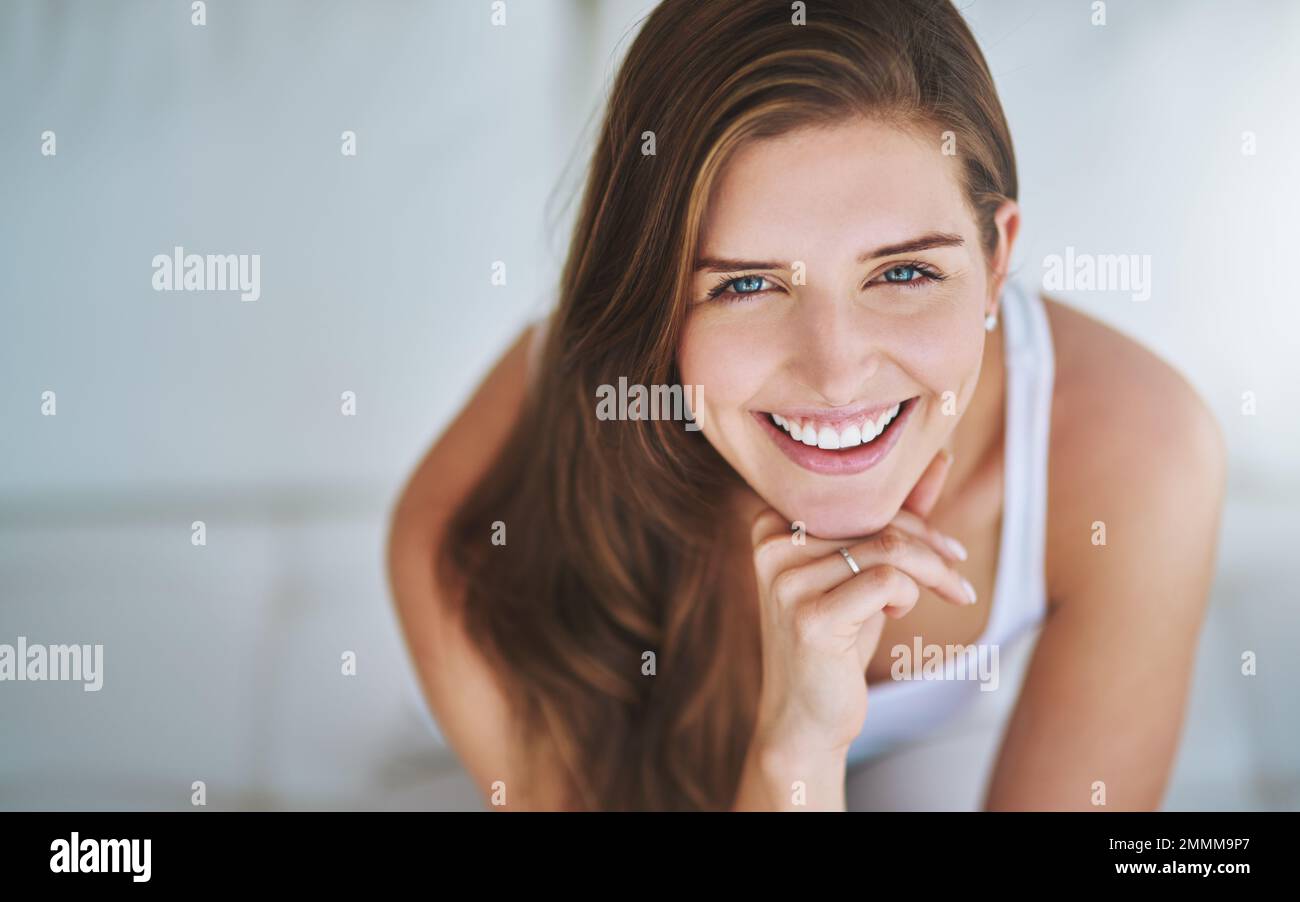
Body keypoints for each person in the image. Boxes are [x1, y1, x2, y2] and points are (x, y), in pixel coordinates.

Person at [386, 0, 1226, 811]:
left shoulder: (1144, 453)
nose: (834, 374)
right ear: (656, 298)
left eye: (903, 273)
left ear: (997, 259)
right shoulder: (471, 525)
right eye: (746, 284)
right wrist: (798, 751)